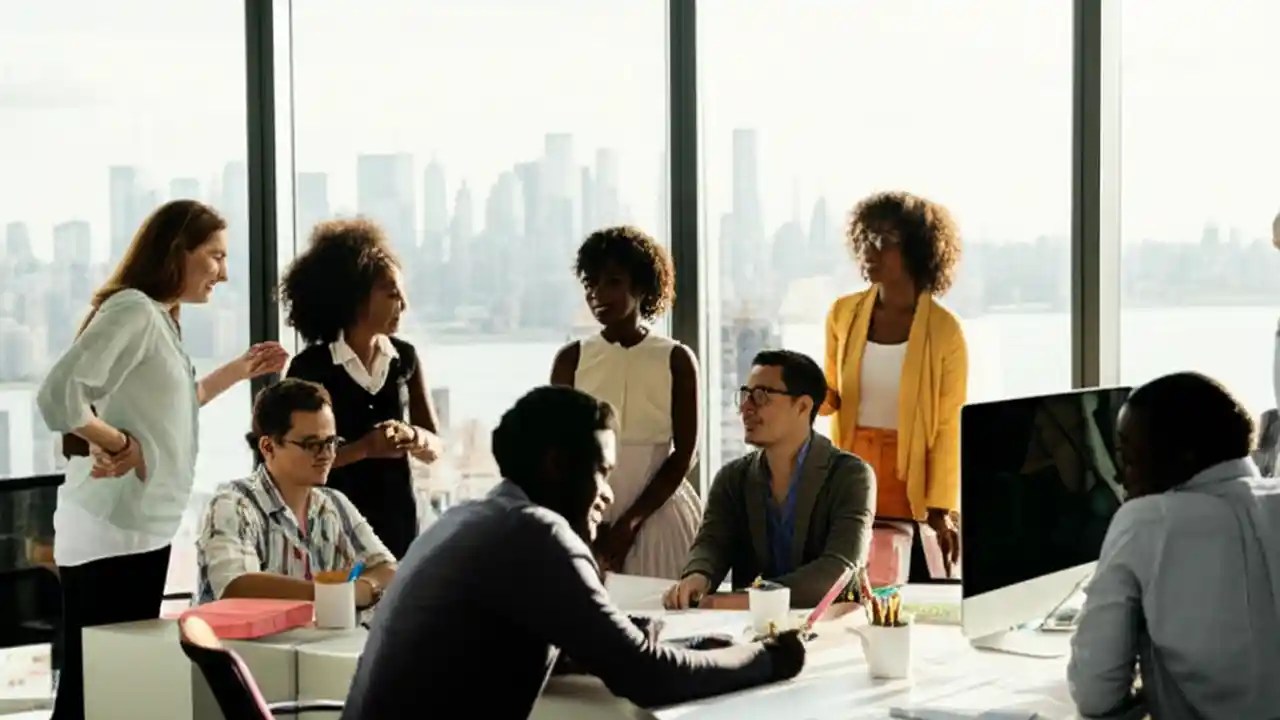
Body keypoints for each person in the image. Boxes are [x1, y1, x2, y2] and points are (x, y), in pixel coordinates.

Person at [341, 386, 804, 720]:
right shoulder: (537, 533)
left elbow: (559, 642)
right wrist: (767, 658)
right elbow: (647, 676)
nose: (607, 494)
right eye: (602, 472)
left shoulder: (465, 519)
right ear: (557, 466)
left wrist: (680, 647)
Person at [36, 199, 288, 720]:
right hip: (114, 532)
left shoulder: (160, 319)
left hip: (135, 529)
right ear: (178, 250)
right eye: (214, 256)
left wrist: (239, 372)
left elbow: (174, 407)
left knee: (105, 689)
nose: (223, 272)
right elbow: (58, 396)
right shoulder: (134, 309)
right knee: (96, 692)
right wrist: (117, 443)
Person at [1068, 372, 1280, 718]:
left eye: (1130, 457)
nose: (1123, 477)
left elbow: (1096, 693)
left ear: (1183, 455)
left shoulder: (1148, 521)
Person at [821, 190, 966, 581]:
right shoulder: (842, 314)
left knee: (910, 593)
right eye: (866, 238)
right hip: (852, 474)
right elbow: (831, 397)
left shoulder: (945, 330)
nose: (871, 249)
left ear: (919, 250)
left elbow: (948, 426)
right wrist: (797, 391)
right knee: (849, 593)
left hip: (911, 480)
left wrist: (940, 508)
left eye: (886, 240)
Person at [279, 218, 442, 560]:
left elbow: (433, 444)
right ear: (355, 295)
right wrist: (366, 448)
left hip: (397, 525)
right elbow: (291, 459)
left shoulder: (404, 359)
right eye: (391, 293)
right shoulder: (311, 369)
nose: (403, 304)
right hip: (330, 526)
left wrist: (412, 437)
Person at [664, 350, 875, 610]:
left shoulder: (851, 476)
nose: (746, 407)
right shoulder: (732, 478)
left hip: (830, 627)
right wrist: (697, 577)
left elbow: (837, 572)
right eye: (745, 395)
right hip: (749, 629)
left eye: (761, 396)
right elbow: (712, 544)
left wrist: (745, 600)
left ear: (803, 406)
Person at [550, 225, 701, 578]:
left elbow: (685, 453)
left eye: (612, 282)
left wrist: (631, 523)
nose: (597, 294)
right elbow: (559, 451)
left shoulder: (676, 358)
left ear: (643, 286)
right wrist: (586, 518)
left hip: (660, 516)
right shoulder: (571, 359)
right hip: (587, 521)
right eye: (590, 284)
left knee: (669, 623)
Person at [195, 379, 395, 608]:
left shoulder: (335, 504)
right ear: (268, 447)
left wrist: (365, 587)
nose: (326, 454)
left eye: (330, 442)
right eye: (312, 444)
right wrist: (338, 593)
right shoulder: (233, 504)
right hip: (244, 644)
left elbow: (387, 568)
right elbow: (236, 587)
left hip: (324, 642)